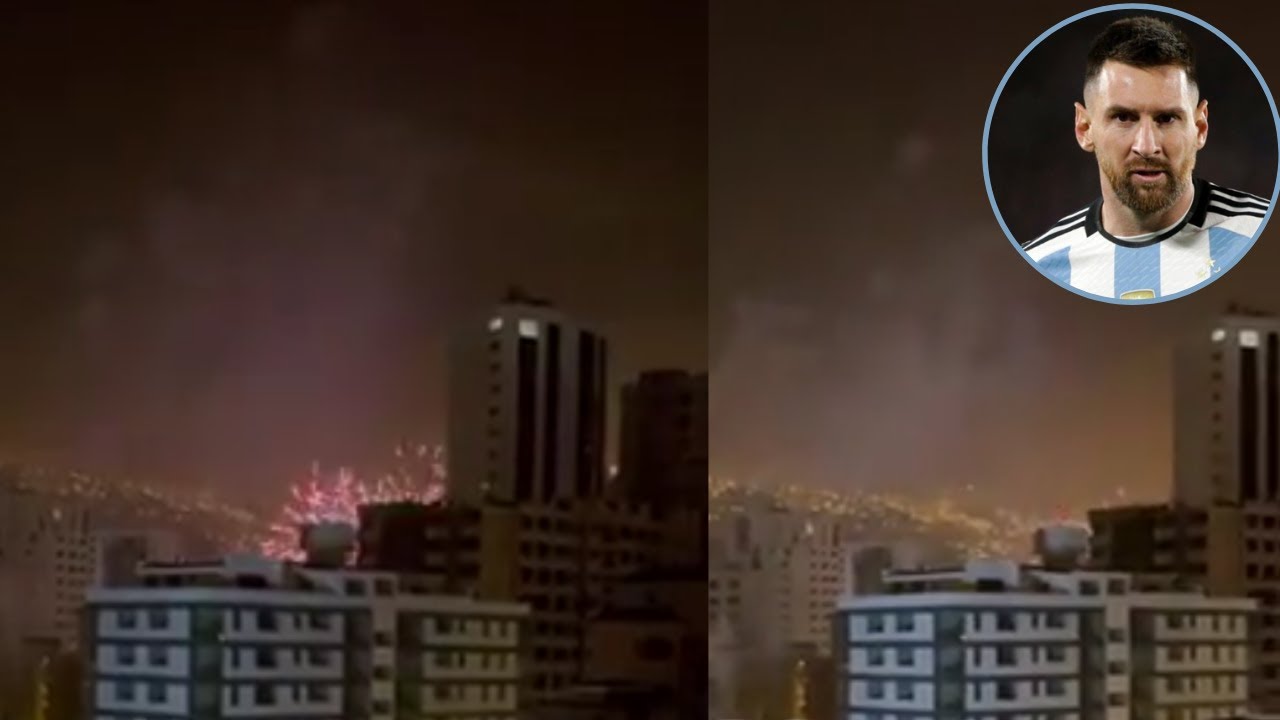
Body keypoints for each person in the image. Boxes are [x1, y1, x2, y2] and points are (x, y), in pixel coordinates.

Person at [1023, 16, 1269, 300]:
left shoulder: (1260, 232)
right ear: (1085, 129)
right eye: (1123, 118)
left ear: (1200, 128)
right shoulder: (1040, 263)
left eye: (1166, 118)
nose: (1147, 146)